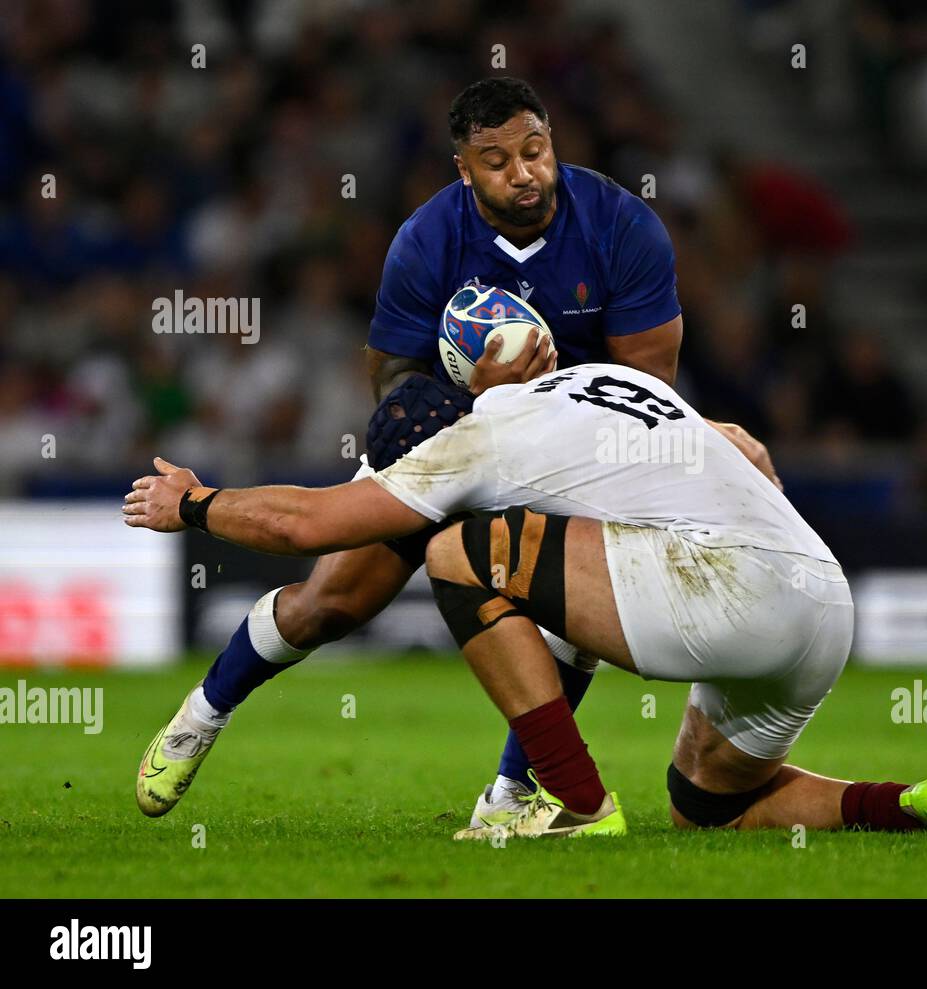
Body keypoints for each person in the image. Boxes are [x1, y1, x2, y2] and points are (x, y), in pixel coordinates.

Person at [162, 76, 778, 829]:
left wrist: (547, 398)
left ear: (552, 142)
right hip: (460, 431)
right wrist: (476, 395)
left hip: (579, 449)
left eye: (535, 150)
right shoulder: (426, 239)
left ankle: (518, 789)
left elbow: (647, 383)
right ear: (464, 169)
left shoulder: (621, 225)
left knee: (570, 615)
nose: (523, 173)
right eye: (497, 160)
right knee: (331, 601)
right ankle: (205, 709)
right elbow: (390, 382)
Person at [126, 366, 927, 838]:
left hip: (728, 586)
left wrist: (196, 504)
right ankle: (915, 801)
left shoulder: (470, 441)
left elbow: (306, 527)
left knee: (461, 554)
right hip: (820, 597)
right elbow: (749, 449)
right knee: (709, 804)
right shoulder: (614, 384)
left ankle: (571, 803)